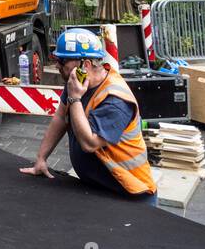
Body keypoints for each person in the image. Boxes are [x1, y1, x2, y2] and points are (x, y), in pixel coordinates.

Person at [19, 27, 158, 204]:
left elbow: (89, 143)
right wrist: (41, 159)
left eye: (62, 61)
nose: (57, 66)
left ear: (85, 65)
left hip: (131, 195)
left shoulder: (116, 100)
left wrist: (75, 98)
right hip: (96, 189)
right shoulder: (76, 82)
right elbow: (61, 118)